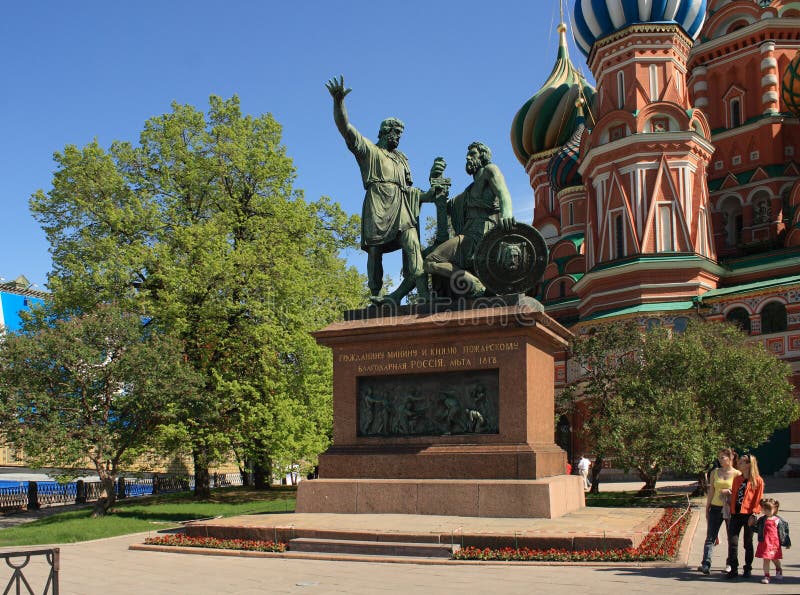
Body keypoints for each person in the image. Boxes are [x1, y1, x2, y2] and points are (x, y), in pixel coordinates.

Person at [326, 75, 442, 303]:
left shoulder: (401, 159)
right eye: (396, 132)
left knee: (413, 246)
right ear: (384, 132)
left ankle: (424, 295)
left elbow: (410, 191)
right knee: (375, 252)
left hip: (401, 207)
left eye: (400, 133)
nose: (399, 137)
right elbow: (346, 129)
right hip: (377, 205)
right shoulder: (369, 151)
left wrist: (430, 195)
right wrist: (339, 102)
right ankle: (376, 295)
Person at [424, 142, 514, 298]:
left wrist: (507, 213)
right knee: (428, 261)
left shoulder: (490, 170)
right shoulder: (468, 191)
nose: (468, 157)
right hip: (467, 236)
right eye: (468, 155)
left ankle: (475, 284)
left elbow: (503, 192)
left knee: (431, 261)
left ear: (483, 156)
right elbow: (445, 208)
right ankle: (471, 282)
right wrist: (436, 181)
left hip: (482, 234)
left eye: (472, 154)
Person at [698, 447, 741, 574]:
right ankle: (706, 563)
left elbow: (740, 492)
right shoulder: (715, 472)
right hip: (716, 507)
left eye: (723, 457)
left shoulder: (737, 474)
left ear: (731, 457)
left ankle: (730, 564)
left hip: (729, 508)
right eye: (719, 457)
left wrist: (729, 491)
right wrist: (707, 507)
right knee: (710, 536)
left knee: (731, 537)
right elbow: (711, 490)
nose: (720, 460)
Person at [726, 453, 764, 579]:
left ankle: (747, 568)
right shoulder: (737, 479)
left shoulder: (758, 480)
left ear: (749, 465)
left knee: (748, 543)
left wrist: (754, 514)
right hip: (735, 514)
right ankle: (733, 568)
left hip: (749, 515)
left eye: (742, 463)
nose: (738, 464)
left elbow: (758, 500)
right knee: (732, 542)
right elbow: (734, 496)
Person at [755, 497, 791, 583]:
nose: (767, 511)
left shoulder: (778, 520)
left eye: (769, 509)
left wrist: (787, 542)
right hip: (764, 542)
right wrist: (751, 524)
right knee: (766, 559)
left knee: (775, 558)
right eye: (765, 509)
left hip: (774, 543)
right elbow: (757, 529)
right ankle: (766, 576)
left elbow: (784, 533)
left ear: (774, 509)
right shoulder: (762, 520)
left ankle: (778, 569)